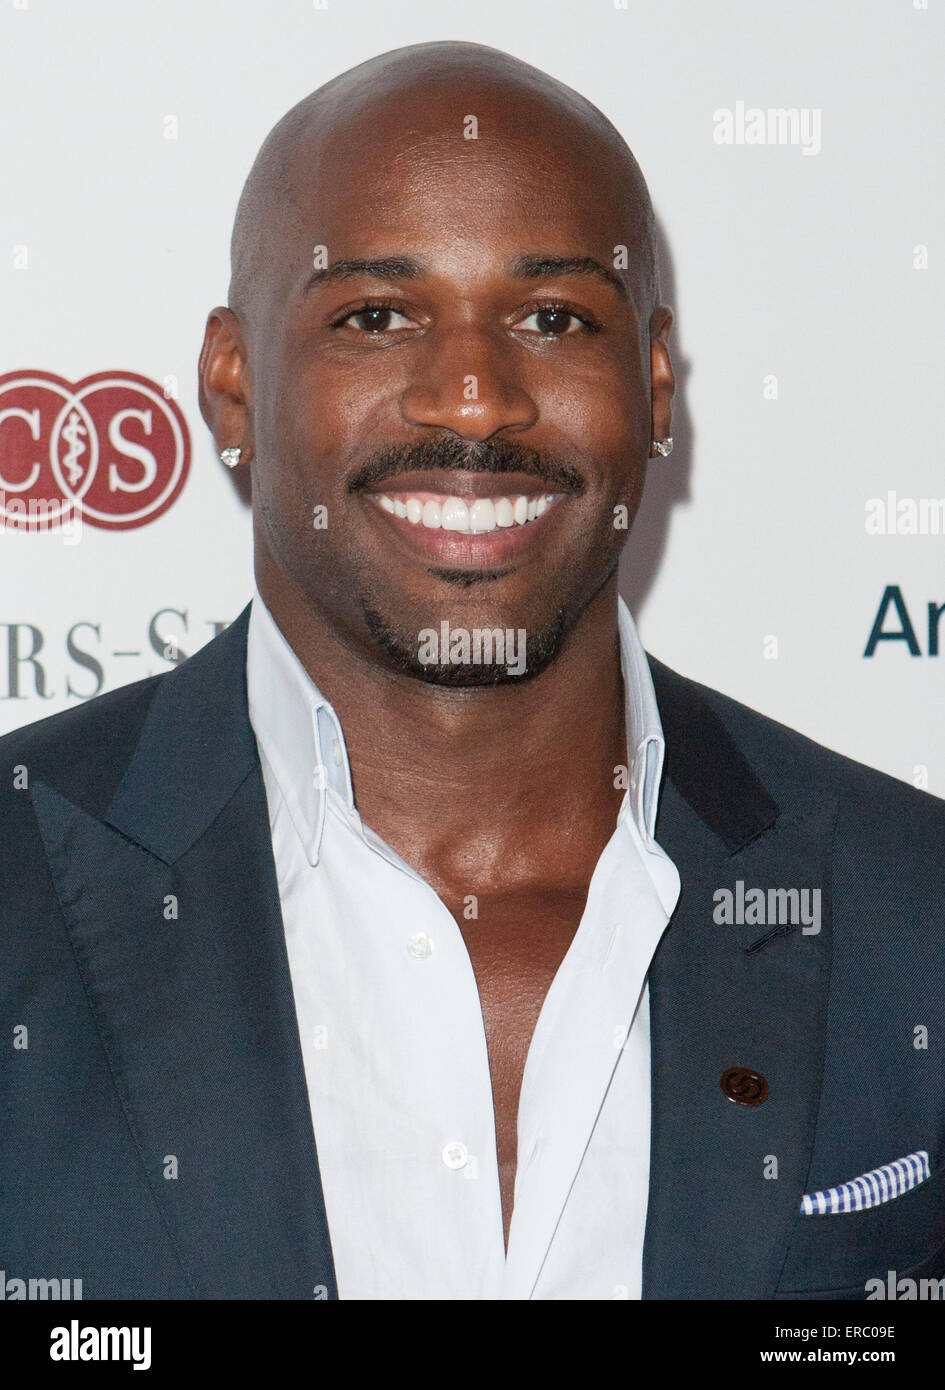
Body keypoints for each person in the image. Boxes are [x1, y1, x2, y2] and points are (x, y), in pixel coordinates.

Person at [2, 41, 944, 1302]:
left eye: (553, 317)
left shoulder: (912, 903)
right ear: (231, 387)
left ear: (655, 384)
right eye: (375, 316)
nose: (475, 397)